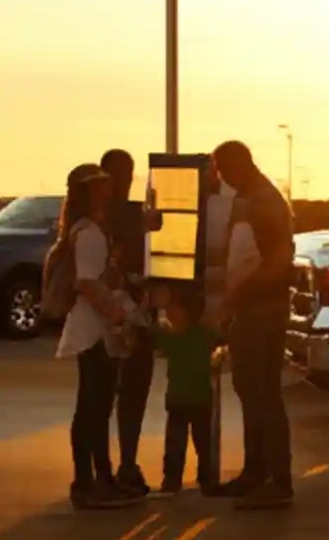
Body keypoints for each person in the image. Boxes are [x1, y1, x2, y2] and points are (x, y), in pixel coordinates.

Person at [206, 140, 295, 509]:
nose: (222, 178)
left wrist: (237, 296)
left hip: (262, 310)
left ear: (237, 165)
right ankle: (256, 471)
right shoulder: (253, 198)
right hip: (253, 310)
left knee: (262, 393)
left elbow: (276, 261)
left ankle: (276, 477)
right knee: (252, 392)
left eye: (223, 170)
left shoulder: (262, 202)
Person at [55, 163, 143, 509]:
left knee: (96, 407)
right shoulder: (88, 232)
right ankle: (88, 482)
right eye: (100, 186)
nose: (108, 190)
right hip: (93, 332)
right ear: (88, 193)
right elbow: (88, 284)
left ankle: (100, 478)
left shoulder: (91, 231)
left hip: (95, 330)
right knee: (93, 408)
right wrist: (119, 318)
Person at [100, 149, 161, 494]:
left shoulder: (136, 213)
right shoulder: (99, 218)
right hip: (109, 318)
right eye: (117, 173)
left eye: (129, 172)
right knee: (103, 396)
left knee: (134, 393)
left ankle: (125, 463)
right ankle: (105, 469)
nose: (124, 180)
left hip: (140, 314)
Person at [151, 289, 219, 496]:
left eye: (174, 307)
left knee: (177, 441)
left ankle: (173, 479)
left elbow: (151, 336)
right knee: (202, 440)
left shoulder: (171, 337)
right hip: (199, 397)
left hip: (180, 397)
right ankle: (206, 478)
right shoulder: (205, 334)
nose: (169, 311)